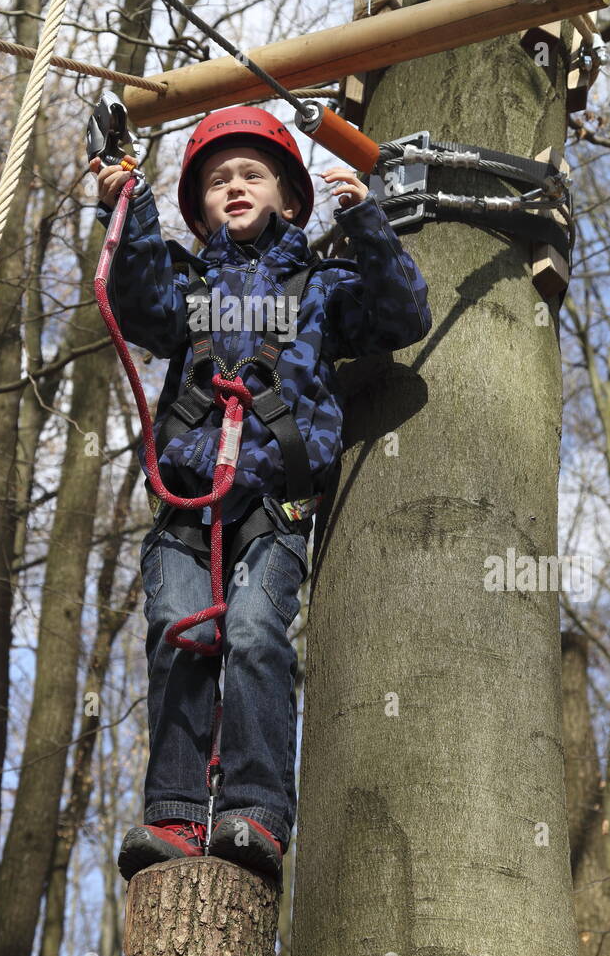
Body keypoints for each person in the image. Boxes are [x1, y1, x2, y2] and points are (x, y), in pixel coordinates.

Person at [91, 105, 432, 884]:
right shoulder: (187, 280)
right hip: (190, 498)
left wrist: (367, 220)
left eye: (251, 175)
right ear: (199, 204)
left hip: (274, 502)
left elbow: (403, 314)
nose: (233, 187)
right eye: (217, 181)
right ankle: (175, 812)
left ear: (287, 195)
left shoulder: (323, 282)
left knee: (252, 633)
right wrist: (127, 204)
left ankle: (254, 810)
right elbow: (138, 301)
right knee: (181, 632)